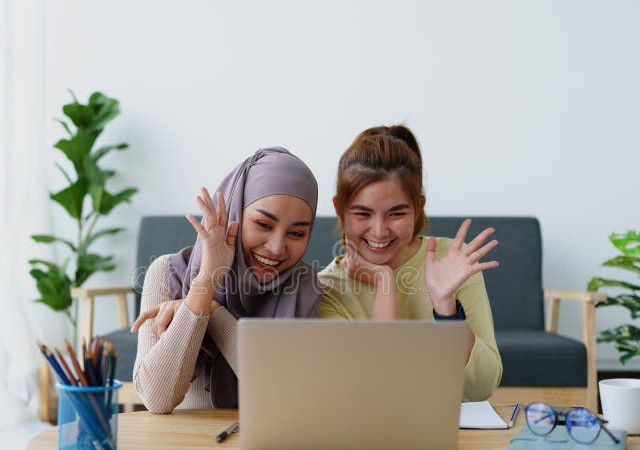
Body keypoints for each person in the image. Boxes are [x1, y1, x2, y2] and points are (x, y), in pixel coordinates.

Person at [318, 125, 502, 401]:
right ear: (339, 209)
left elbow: (481, 388)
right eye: (363, 213)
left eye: (396, 213)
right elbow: (378, 389)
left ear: (419, 206)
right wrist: (384, 282)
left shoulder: (452, 260)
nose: (379, 231)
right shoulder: (327, 286)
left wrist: (446, 309)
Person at [130, 147, 320, 413]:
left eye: (297, 233)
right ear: (234, 213)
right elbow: (157, 399)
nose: (277, 248)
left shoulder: (304, 285)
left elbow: (285, 397)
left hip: (268, 447)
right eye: (264, 225)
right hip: (183, 448)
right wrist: (206, 281)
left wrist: (214, 312)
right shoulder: (166, 273)